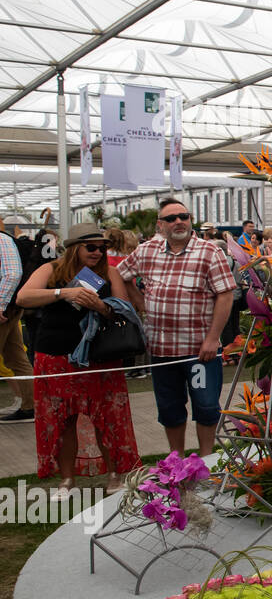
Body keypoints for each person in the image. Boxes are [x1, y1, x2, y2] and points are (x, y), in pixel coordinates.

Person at [17, 224, 141, 494]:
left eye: (102, 247)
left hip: (100, 358)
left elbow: (124, 310)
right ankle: (67, 479)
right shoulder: (51, 270)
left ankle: (114, 476)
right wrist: (64, 293)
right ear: (74, 248)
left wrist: (102, 307)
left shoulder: (110, 273)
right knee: (63, 420)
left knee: (107, 418)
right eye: (91, 247)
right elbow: (24, 297)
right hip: (55, 355)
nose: (98, 252)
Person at [118, 198, 234, 458]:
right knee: (170, 408)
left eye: (183, 216)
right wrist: (139, 303)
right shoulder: (147, 250)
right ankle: (176, 460)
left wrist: (213, 339)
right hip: (161, 350)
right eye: (171, 218)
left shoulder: (209, 251)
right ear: (161, 225)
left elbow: (225, 295)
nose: (179, 221)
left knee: (205, 405)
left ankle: (206, 460)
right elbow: (120, 274)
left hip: (199, 351)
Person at [0, 224, 34, 423]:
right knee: (15, 357)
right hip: (8, 308)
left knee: (15, 357)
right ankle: (30, 406)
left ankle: (30, 406)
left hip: (6, 308)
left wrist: (1, 305)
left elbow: (13, 273)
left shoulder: (2, 240)